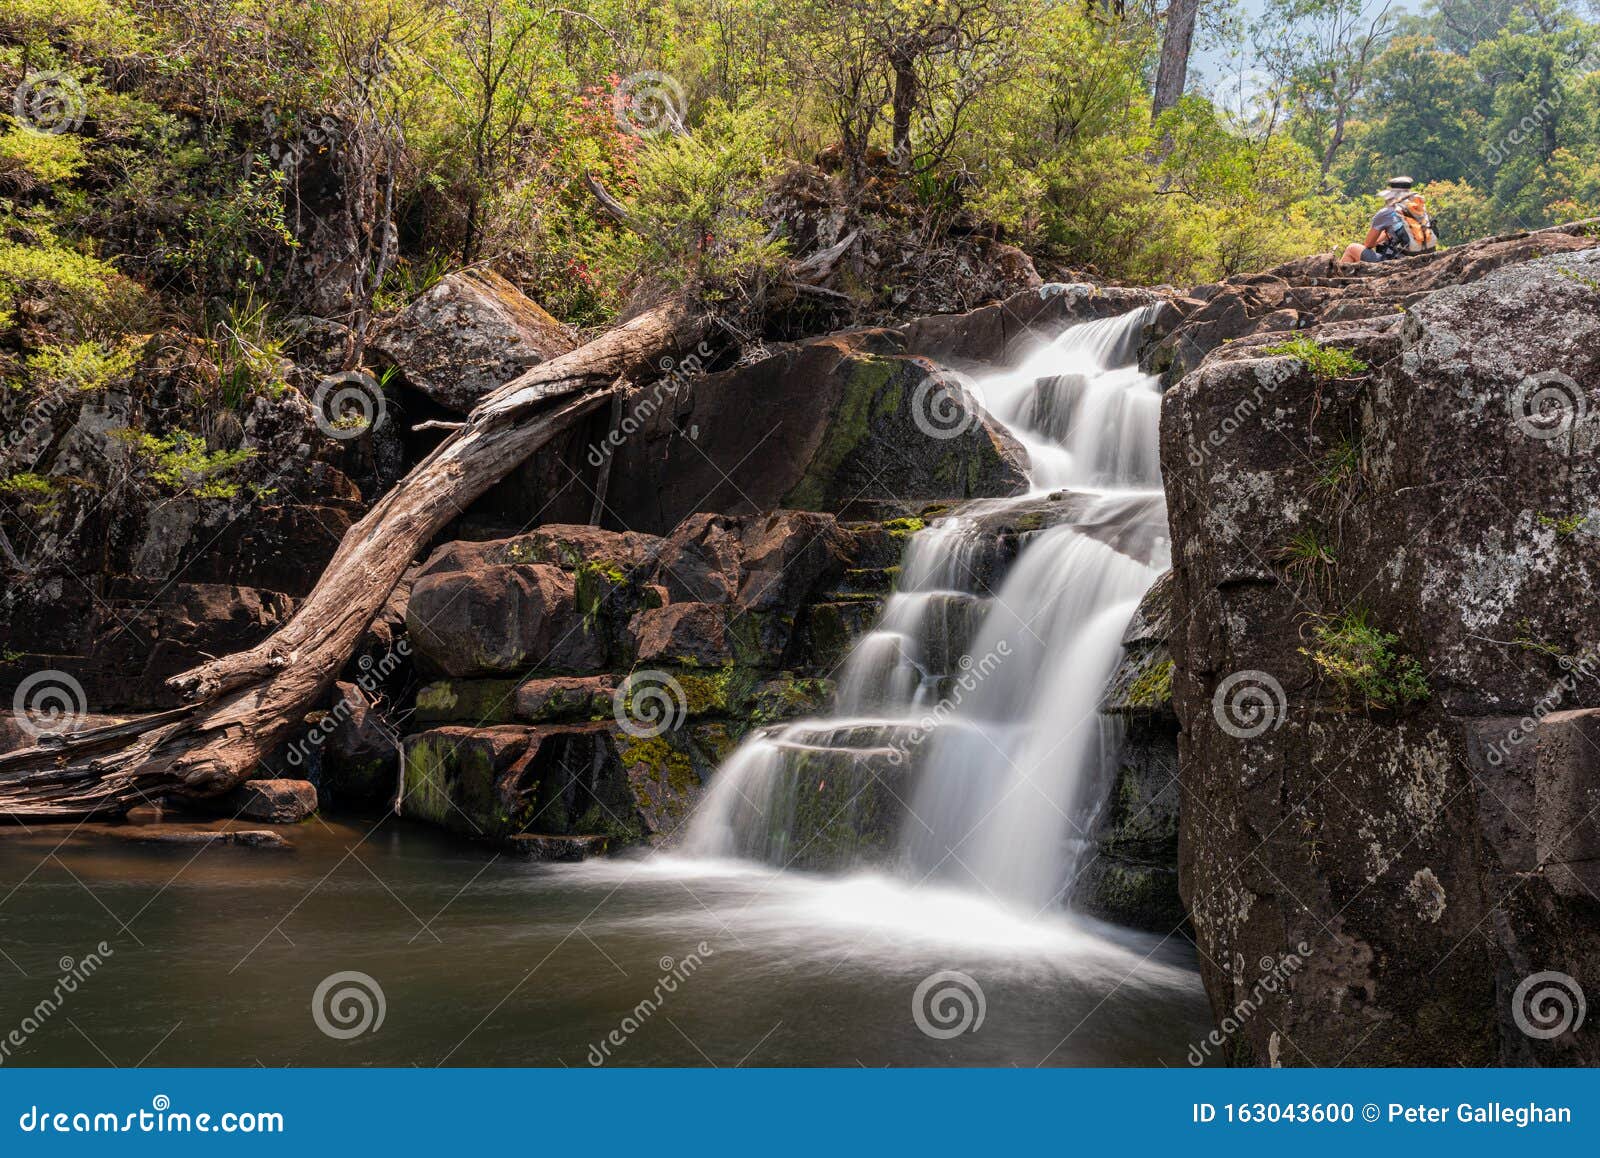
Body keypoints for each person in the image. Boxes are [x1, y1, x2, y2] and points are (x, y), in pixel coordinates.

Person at [1339, 177, 1437, 264]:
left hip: (1398, 262)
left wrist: (1379, 240)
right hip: (1426, 258)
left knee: (1352, 248)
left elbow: (1368, 244)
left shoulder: (1386, 213)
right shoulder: (1419, 209)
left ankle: (1341, 281)